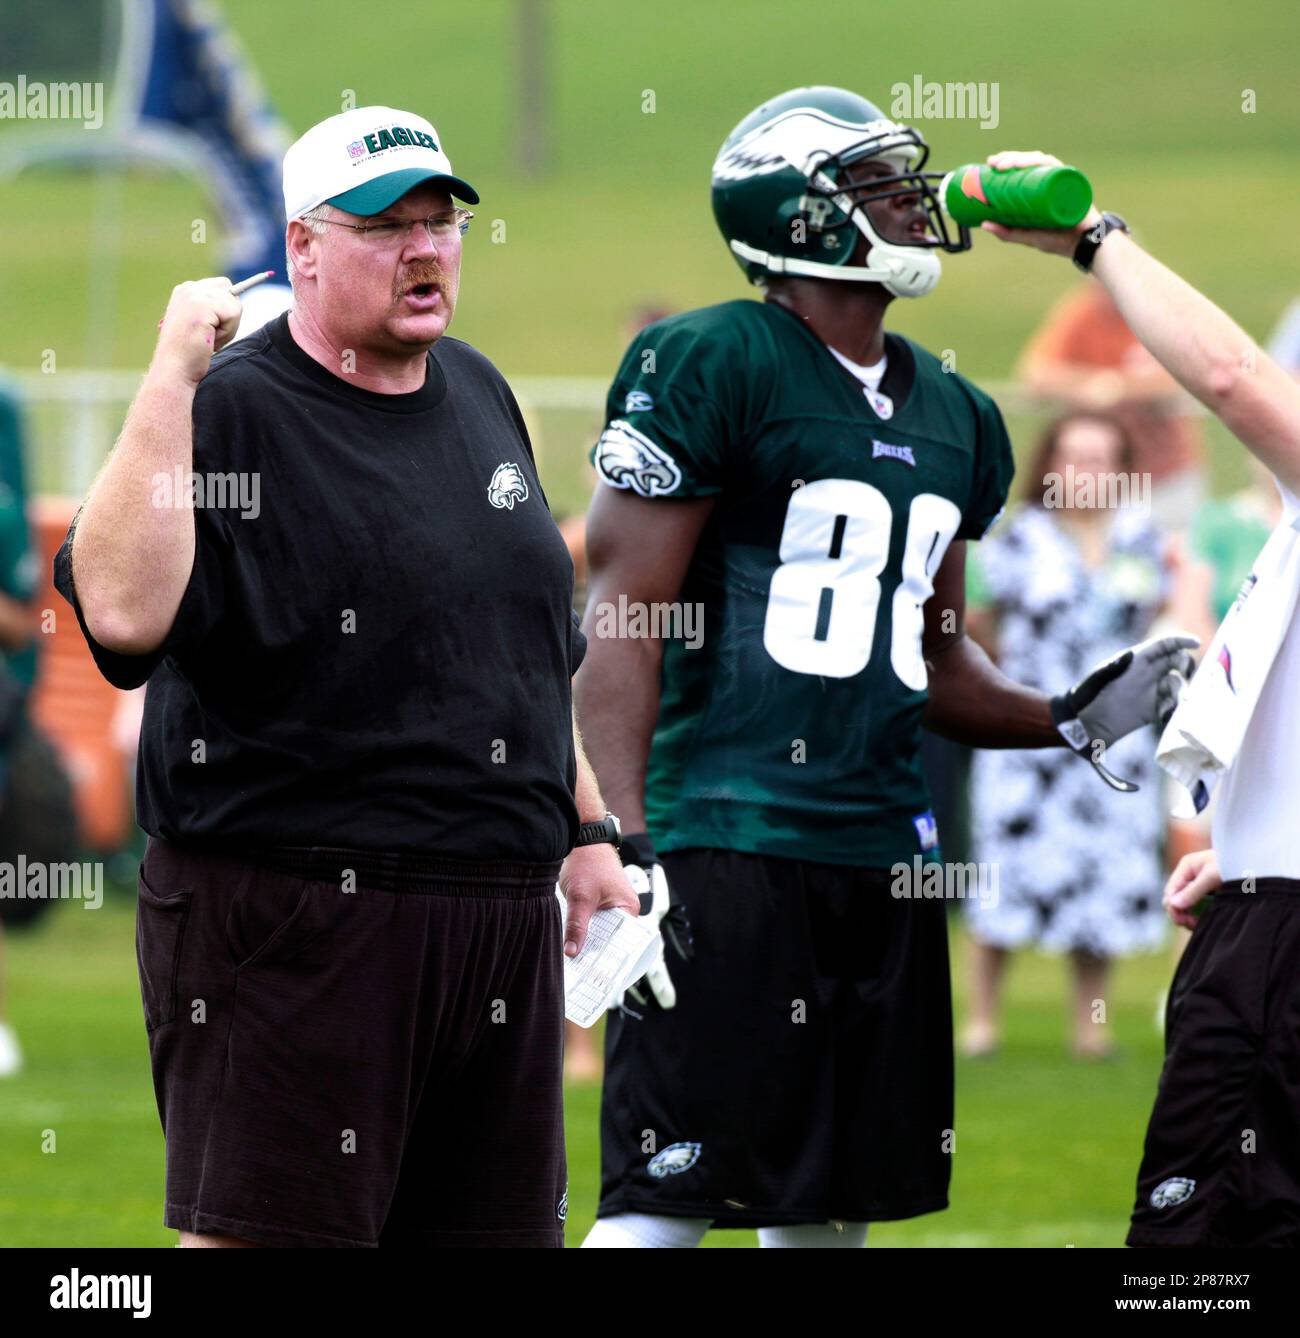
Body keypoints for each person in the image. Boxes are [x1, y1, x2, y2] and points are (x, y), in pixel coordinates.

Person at [575, 87, 1195, 1249]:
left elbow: (938, 660)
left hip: (882, 851)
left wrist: (1067, 716)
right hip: (725, 835)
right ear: (799, 218)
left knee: (831, 1206)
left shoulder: (958, 413)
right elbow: (624, 617)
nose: (913, 201)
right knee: (666, 1193)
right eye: (875, 184)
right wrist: (624, 837)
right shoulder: (712, 358)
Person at [53, 105, 635, 1248]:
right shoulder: (231, 409)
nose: (424, 249)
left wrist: (589, 833)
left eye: (441, 222)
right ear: (301, 249)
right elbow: (118, 617)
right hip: (296, 912)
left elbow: (524, 651)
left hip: (492, 923)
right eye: (385, 228)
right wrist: (171, 374)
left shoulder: (477, 391)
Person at [983, 148, 1300, 1248]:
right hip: (1266, 894)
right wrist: (1256, 843)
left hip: (1285, 944)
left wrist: (1090, 241)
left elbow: (1228, 377)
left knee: (1196, 1254)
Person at [962, 412, 1174, 1060]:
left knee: (1101, 878)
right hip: (1028, 733)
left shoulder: (1143, 538)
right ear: (1051, 466)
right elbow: (973, 625)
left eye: (1102, 458)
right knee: (1006, 873)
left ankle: (1091, 1025)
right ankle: (982, 1019)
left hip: (1117, 740)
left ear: (1121, 470)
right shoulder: (1018, 537)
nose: (1088, 470)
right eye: (1075, 456)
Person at [1016, 280, 1206, 532]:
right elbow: (1035, 376)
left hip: (1164, 474)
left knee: (1171, 551)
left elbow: (1189, 378)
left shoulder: (1163, 313)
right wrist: (1091, 385)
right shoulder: (1083, 314)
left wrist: (1118, 388)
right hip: (1104, 479)